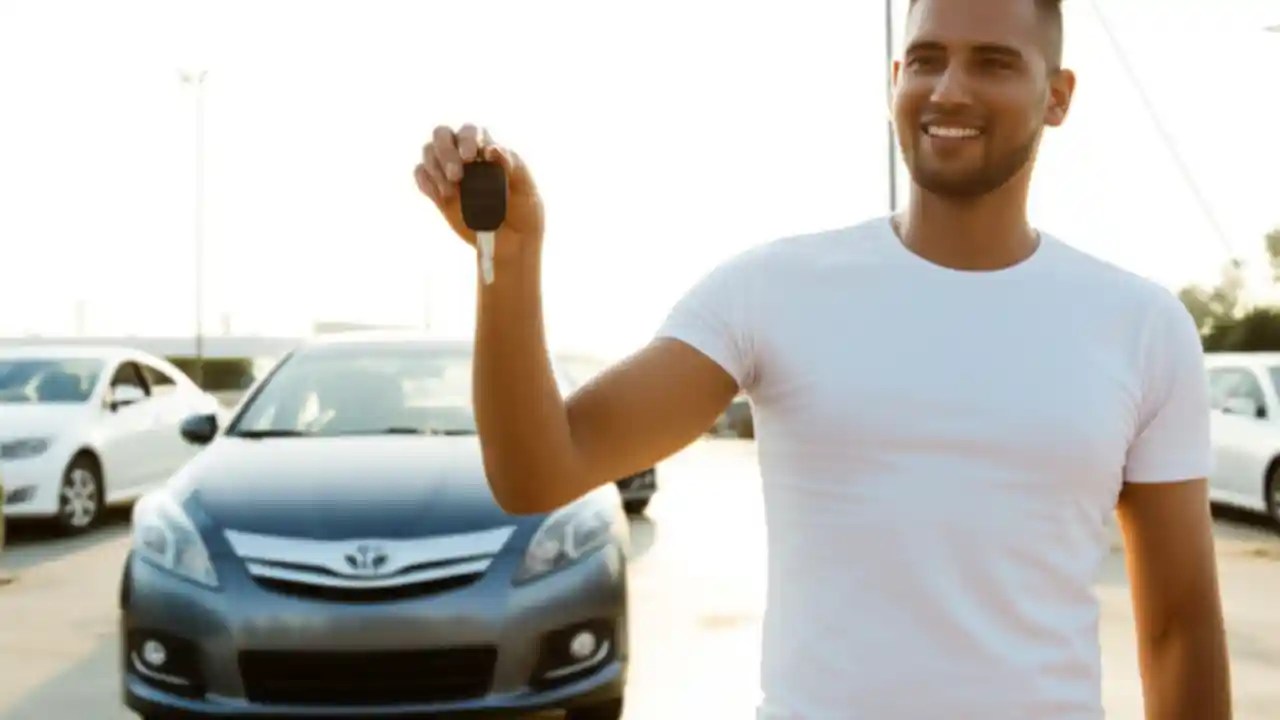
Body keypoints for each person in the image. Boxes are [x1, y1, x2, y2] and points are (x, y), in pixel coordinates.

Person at [413, 0, 1232, 716]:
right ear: (892, 82)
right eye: (926, 58)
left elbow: (1179, 629)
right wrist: (511, 262)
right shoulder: (772, 291)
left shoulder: (1142, 326)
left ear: (1056, 97)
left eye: (993, 62)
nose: (948, 89)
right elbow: (538, 470)